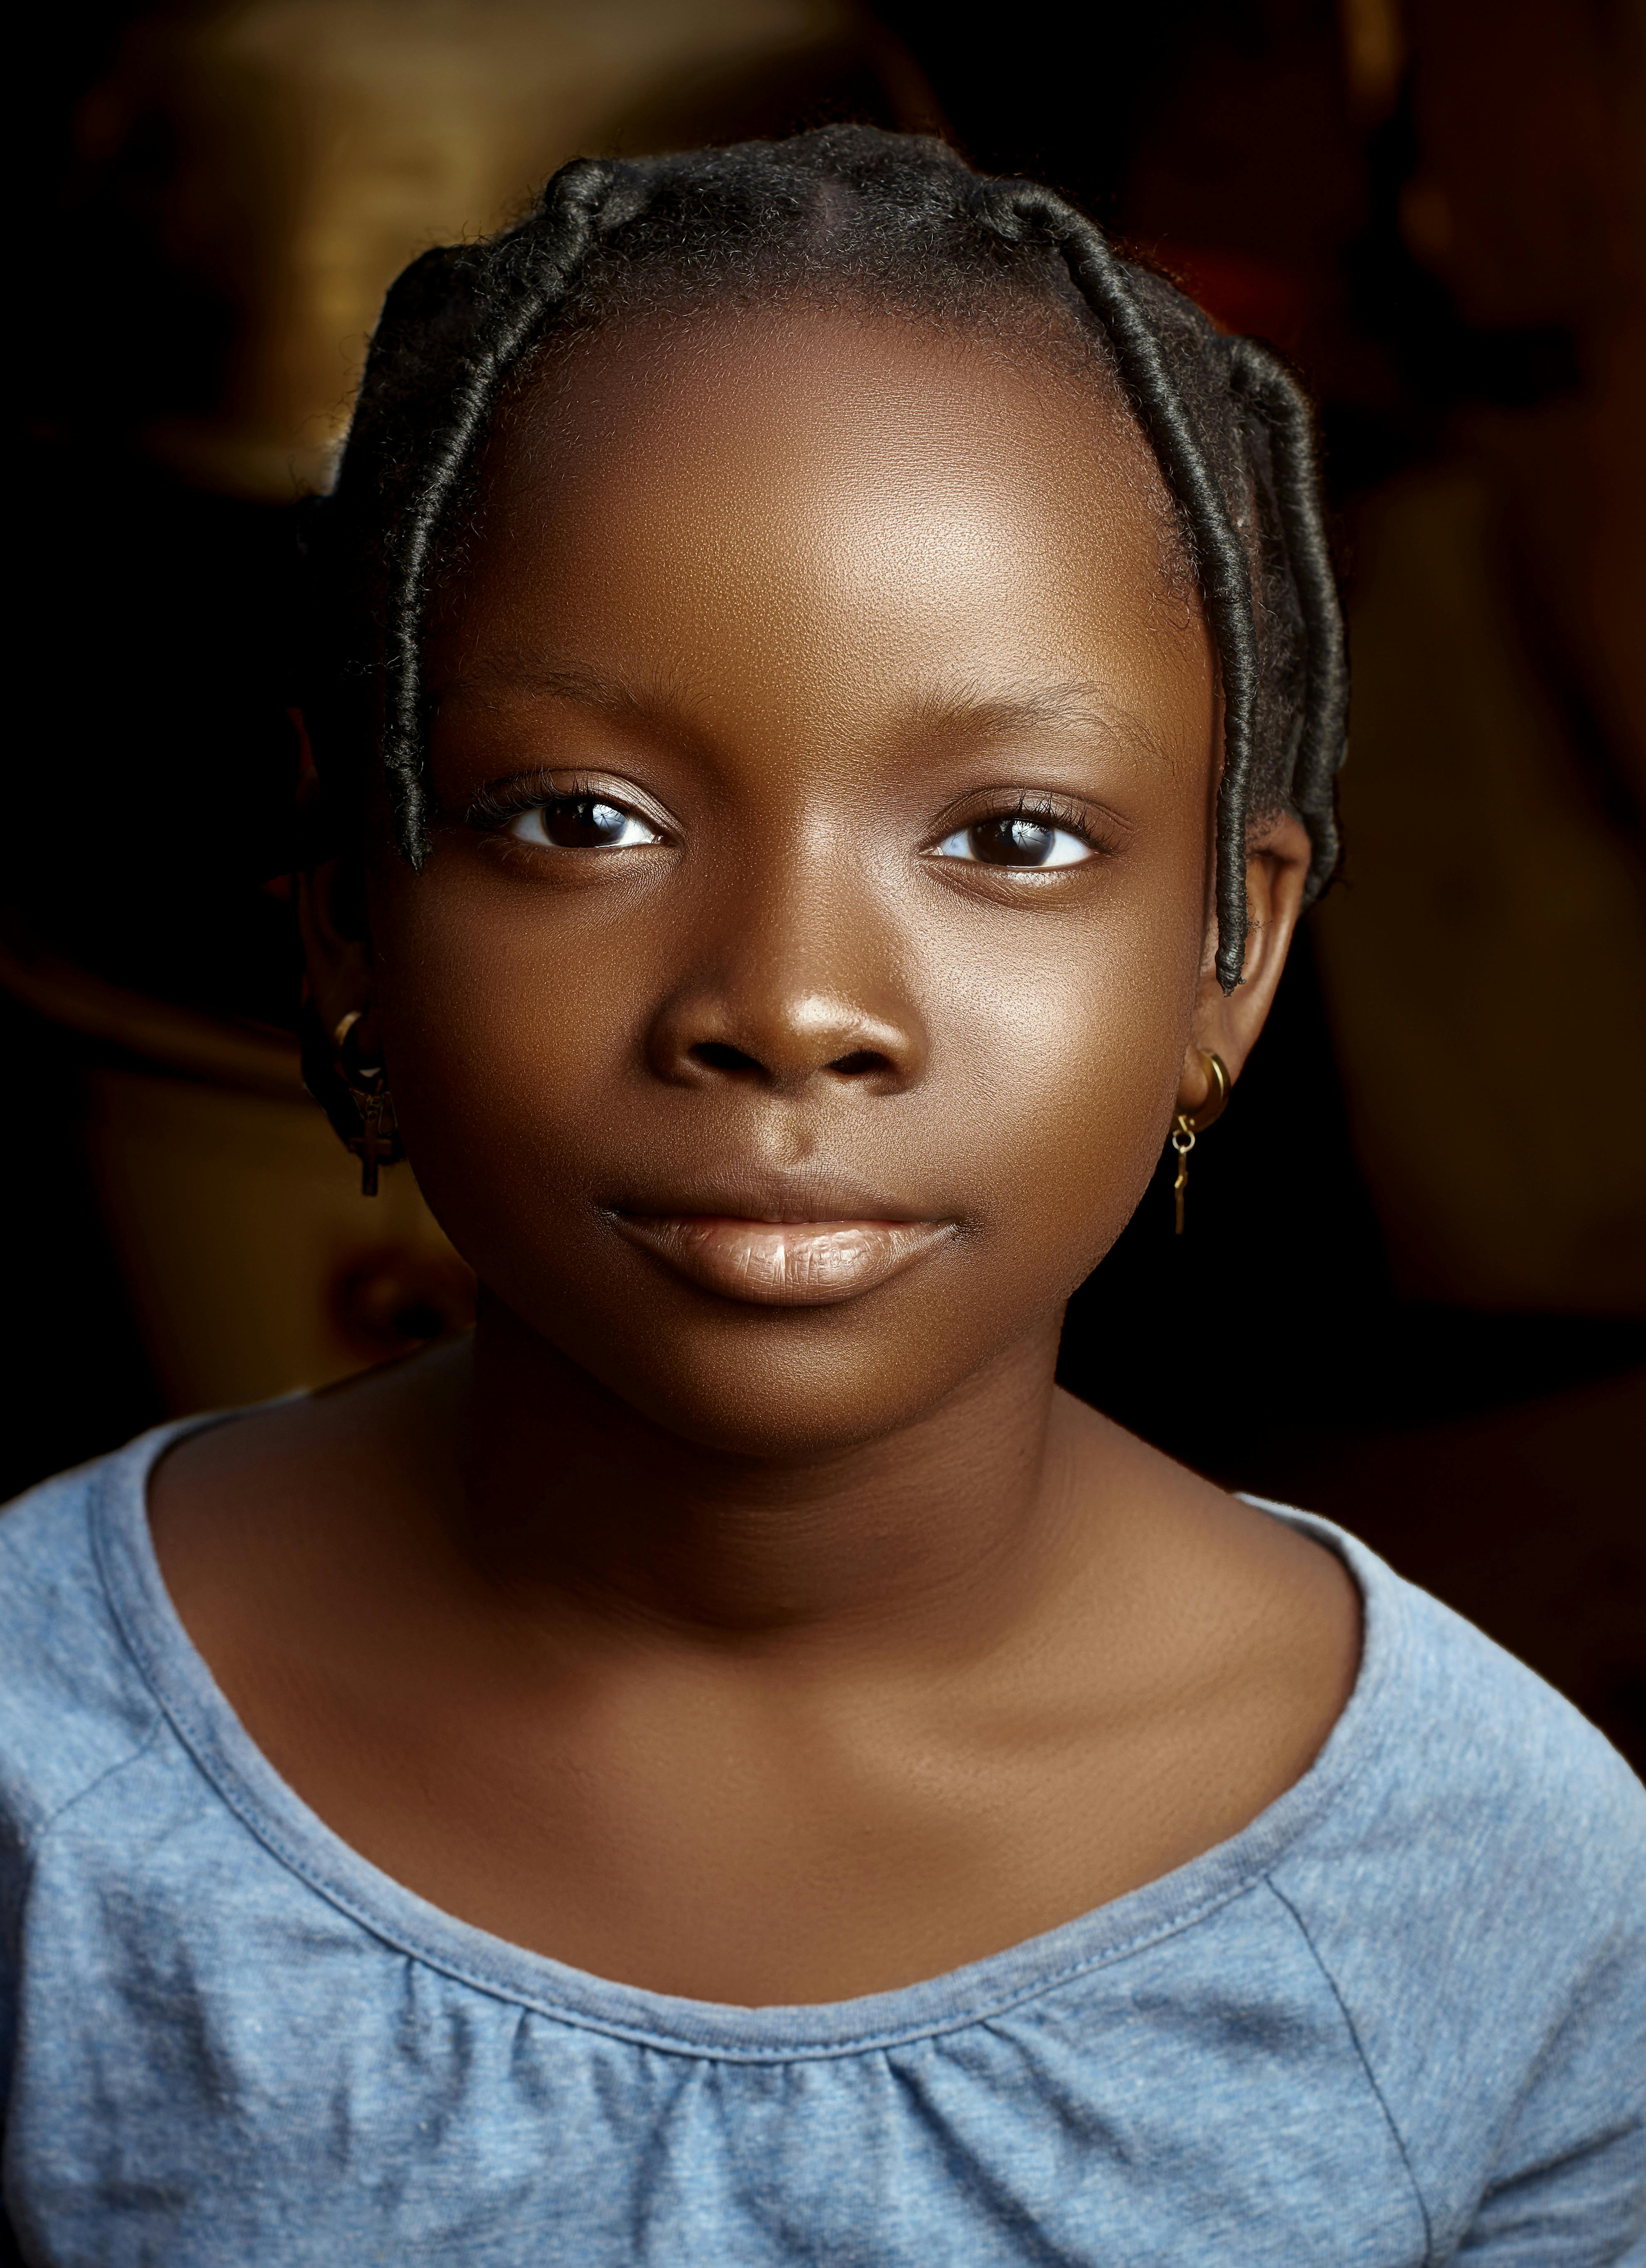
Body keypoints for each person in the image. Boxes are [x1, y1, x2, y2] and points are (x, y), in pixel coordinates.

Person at [1, 129, 1639, 2265]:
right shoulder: (40, 1771)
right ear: (344, 907)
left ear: (1229, 956)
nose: (787, 1004)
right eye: (582, 818)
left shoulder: (1500, 1879)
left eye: (1012, 840)